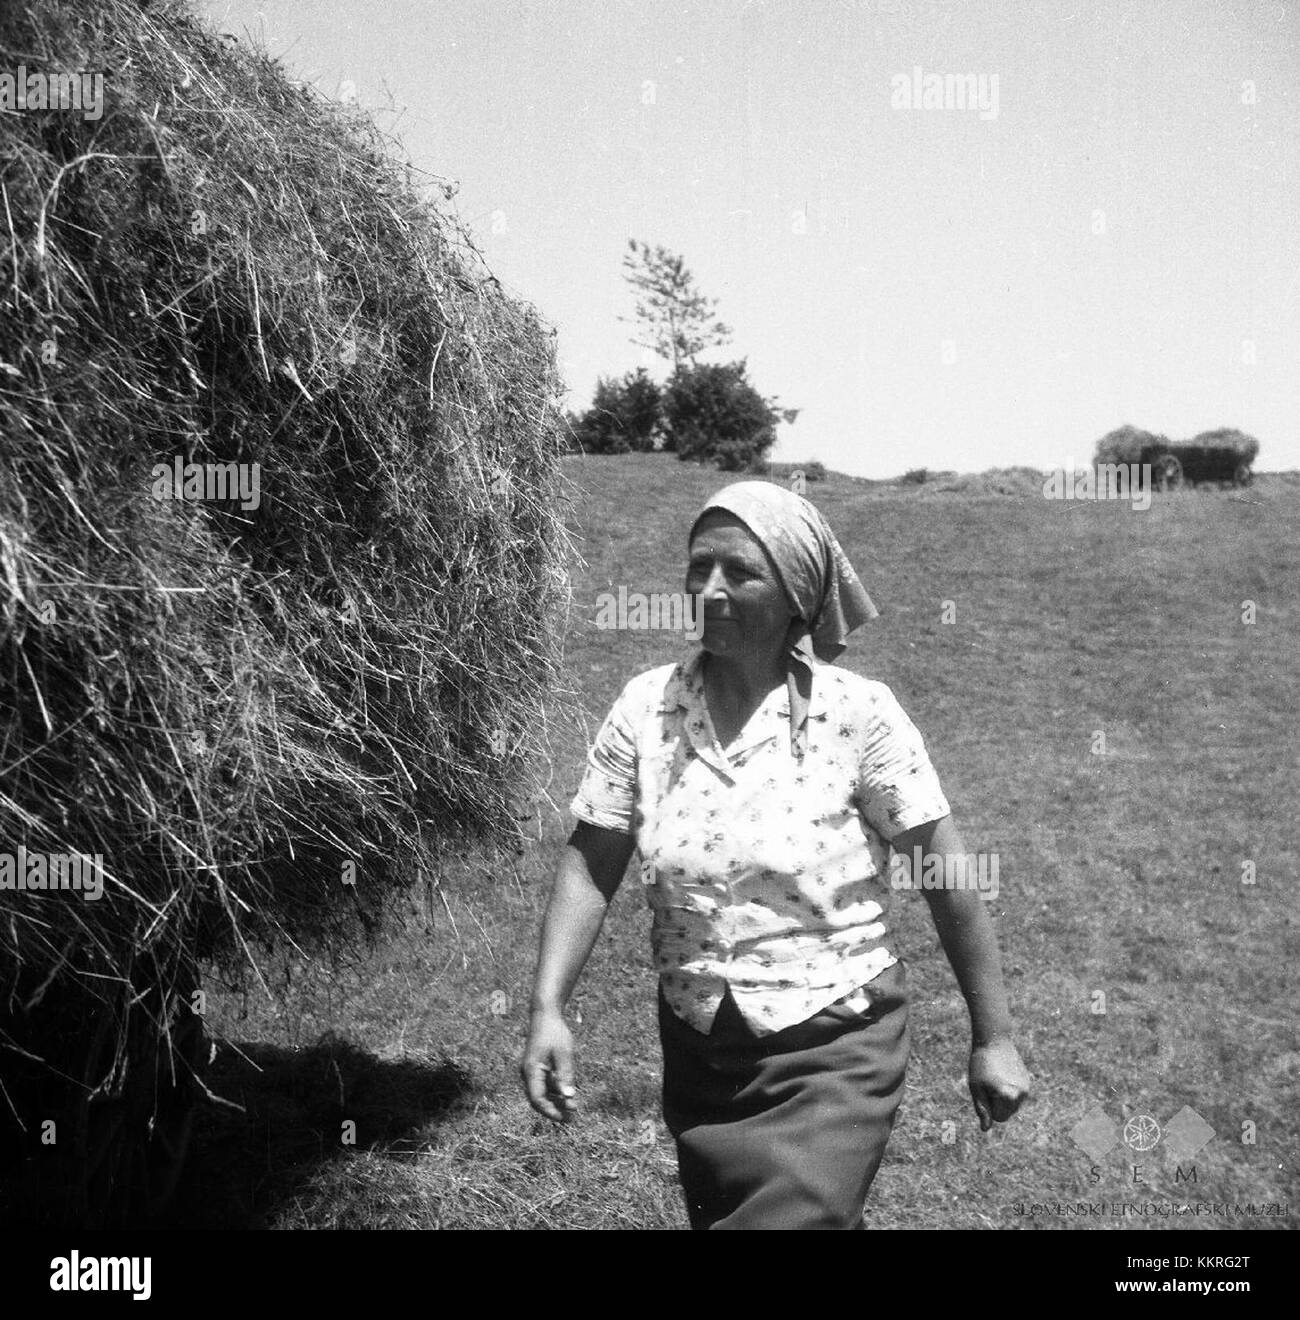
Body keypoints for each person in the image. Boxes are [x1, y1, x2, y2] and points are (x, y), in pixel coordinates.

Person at [521, 479, 1031, 1229]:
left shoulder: (859, 715)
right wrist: (547, 1009)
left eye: (740, 571)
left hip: (834, 1044)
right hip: (700, 1052)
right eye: (700, 567)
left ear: (796, 592)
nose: (711, 589)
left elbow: (945, 877)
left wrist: (995, 1037)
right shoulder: (645, 708)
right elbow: (592, 861)